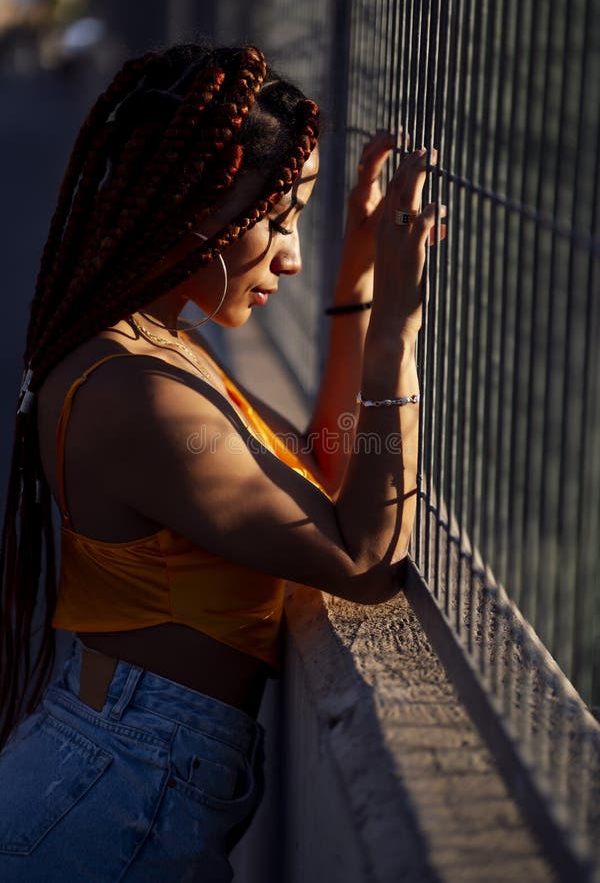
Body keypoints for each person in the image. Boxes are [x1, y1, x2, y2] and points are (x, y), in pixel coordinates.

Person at [0, 43, 444, 881]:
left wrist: (353, 289)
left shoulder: (153, 349)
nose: (293, 255)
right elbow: (364, 557)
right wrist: (396, 335)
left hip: (114, 771)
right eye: (278, 219)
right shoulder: (141, 397)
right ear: (195, 209)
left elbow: (316, 474)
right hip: (108, 800)